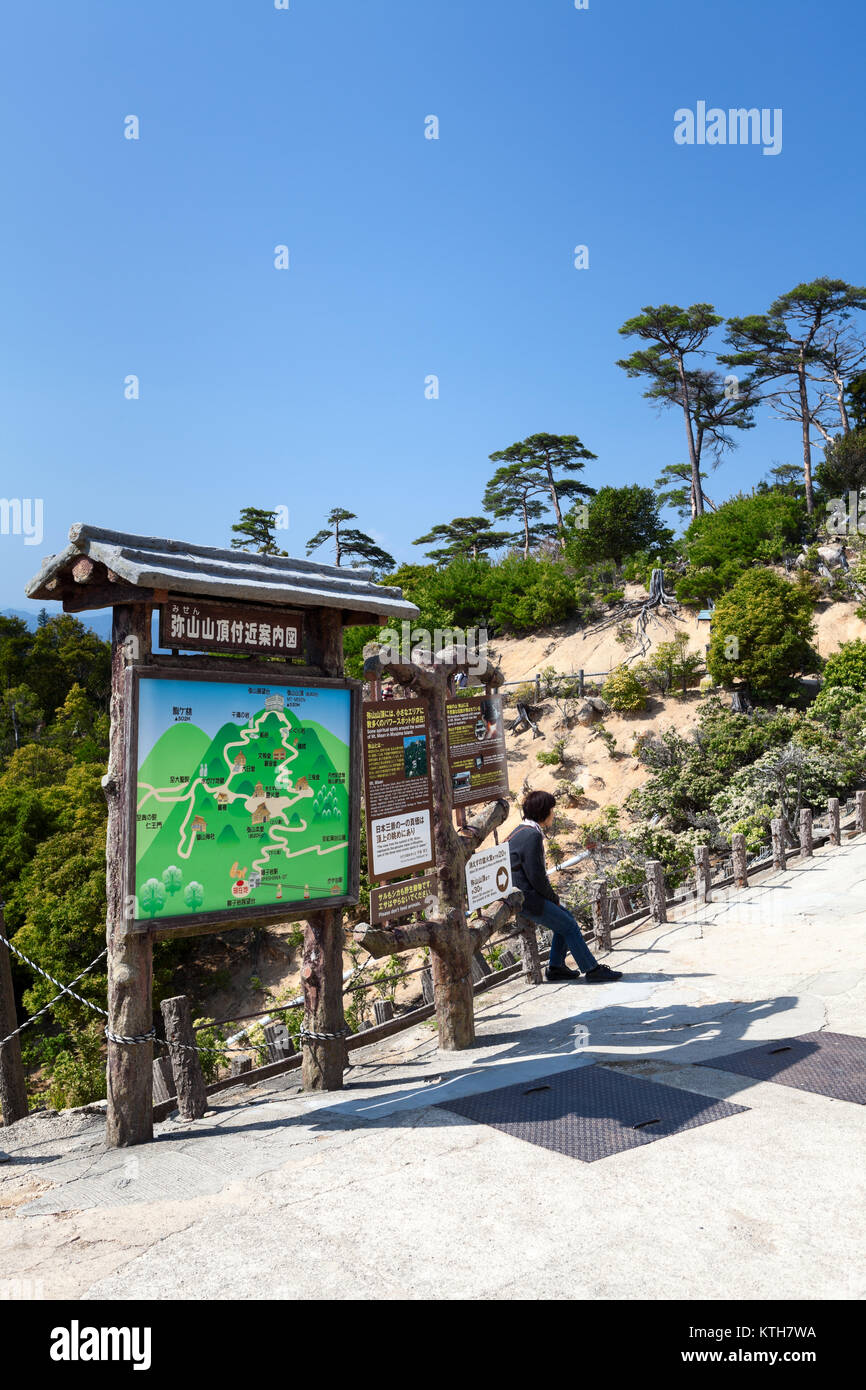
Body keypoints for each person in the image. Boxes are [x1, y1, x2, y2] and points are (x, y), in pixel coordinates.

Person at [508, 790, 622, 983]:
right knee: (569, 925)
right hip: (529, 899)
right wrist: (553, 898)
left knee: (566, 919)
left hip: (521, 896)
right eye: (552, 809)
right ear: (543, 811)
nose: (554, 814)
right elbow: (536, 876)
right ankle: (592, 969)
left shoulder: (520, 831)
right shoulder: (532, 836)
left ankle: (556, 967)